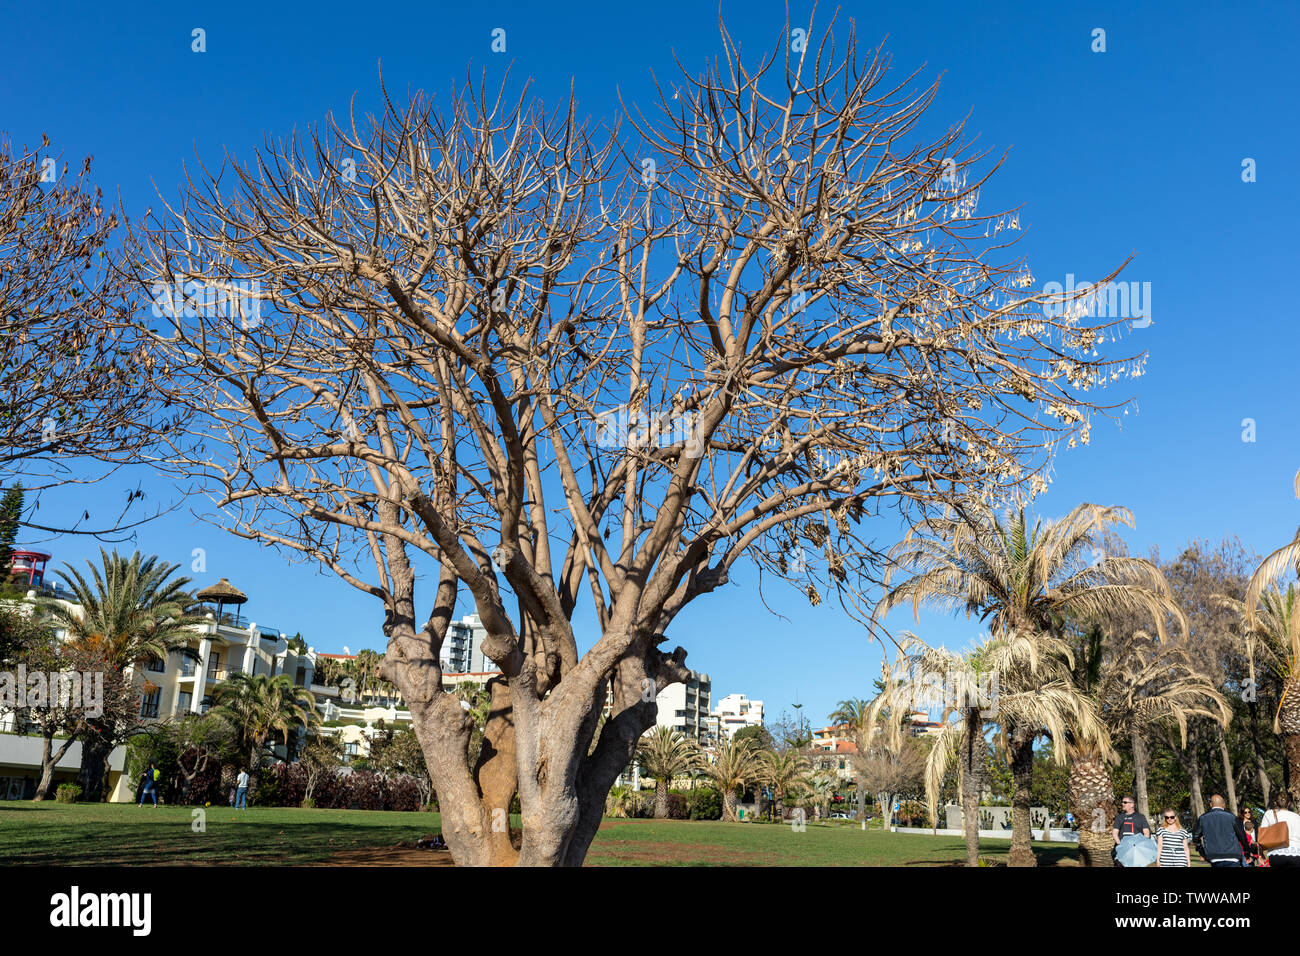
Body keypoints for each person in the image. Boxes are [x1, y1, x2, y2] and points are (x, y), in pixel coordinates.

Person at [1193, 794, 1249, 866]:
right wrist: (1247, 852)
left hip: (1214, 856)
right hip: (1232, 855)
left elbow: (1195, 836)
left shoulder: (1203, 818)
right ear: (1223, 804)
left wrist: (1202, 852)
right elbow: (1242, 836)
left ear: (1211, 804)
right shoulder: (1232, 817)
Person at [1258, 791, 1300, 868]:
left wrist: (1260, 853)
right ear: (1289, 803)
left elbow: (1262, 836)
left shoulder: (1269, 814)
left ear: (1275, 803)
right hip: (1296, 853)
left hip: (1276, 853)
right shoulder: (1297, 817)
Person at [1111, 795, 1150, 865]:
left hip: (1136, 851)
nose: (1122, 804)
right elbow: (1115, 833)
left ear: (1132, 804)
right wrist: (1121, 845)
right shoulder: (1119, 817)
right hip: (1122, 850)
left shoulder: (1141, 817)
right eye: (1122, 802)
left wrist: (1140, 845)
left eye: (1125, 802)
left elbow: (1146, 833)